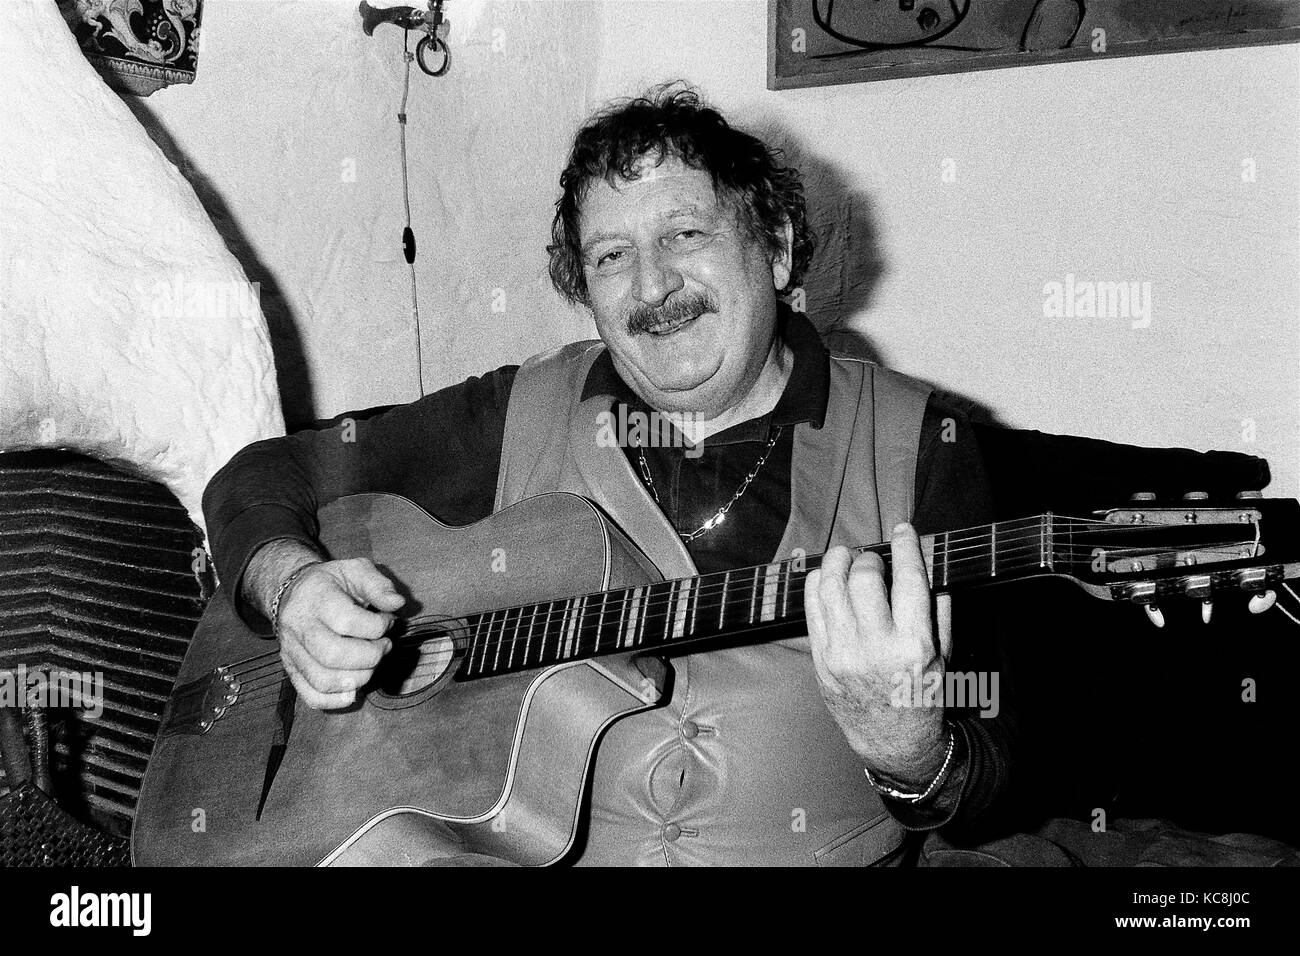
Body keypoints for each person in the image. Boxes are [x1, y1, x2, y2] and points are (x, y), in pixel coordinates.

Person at [203, 83, 1018, 866]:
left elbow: (1002, 766)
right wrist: (290, 587)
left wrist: (914, 754)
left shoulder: (922, 441)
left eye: (686, 235)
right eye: (611, 255)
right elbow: (262, 475)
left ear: (775, 247)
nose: (653, 285)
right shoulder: (513, 413)